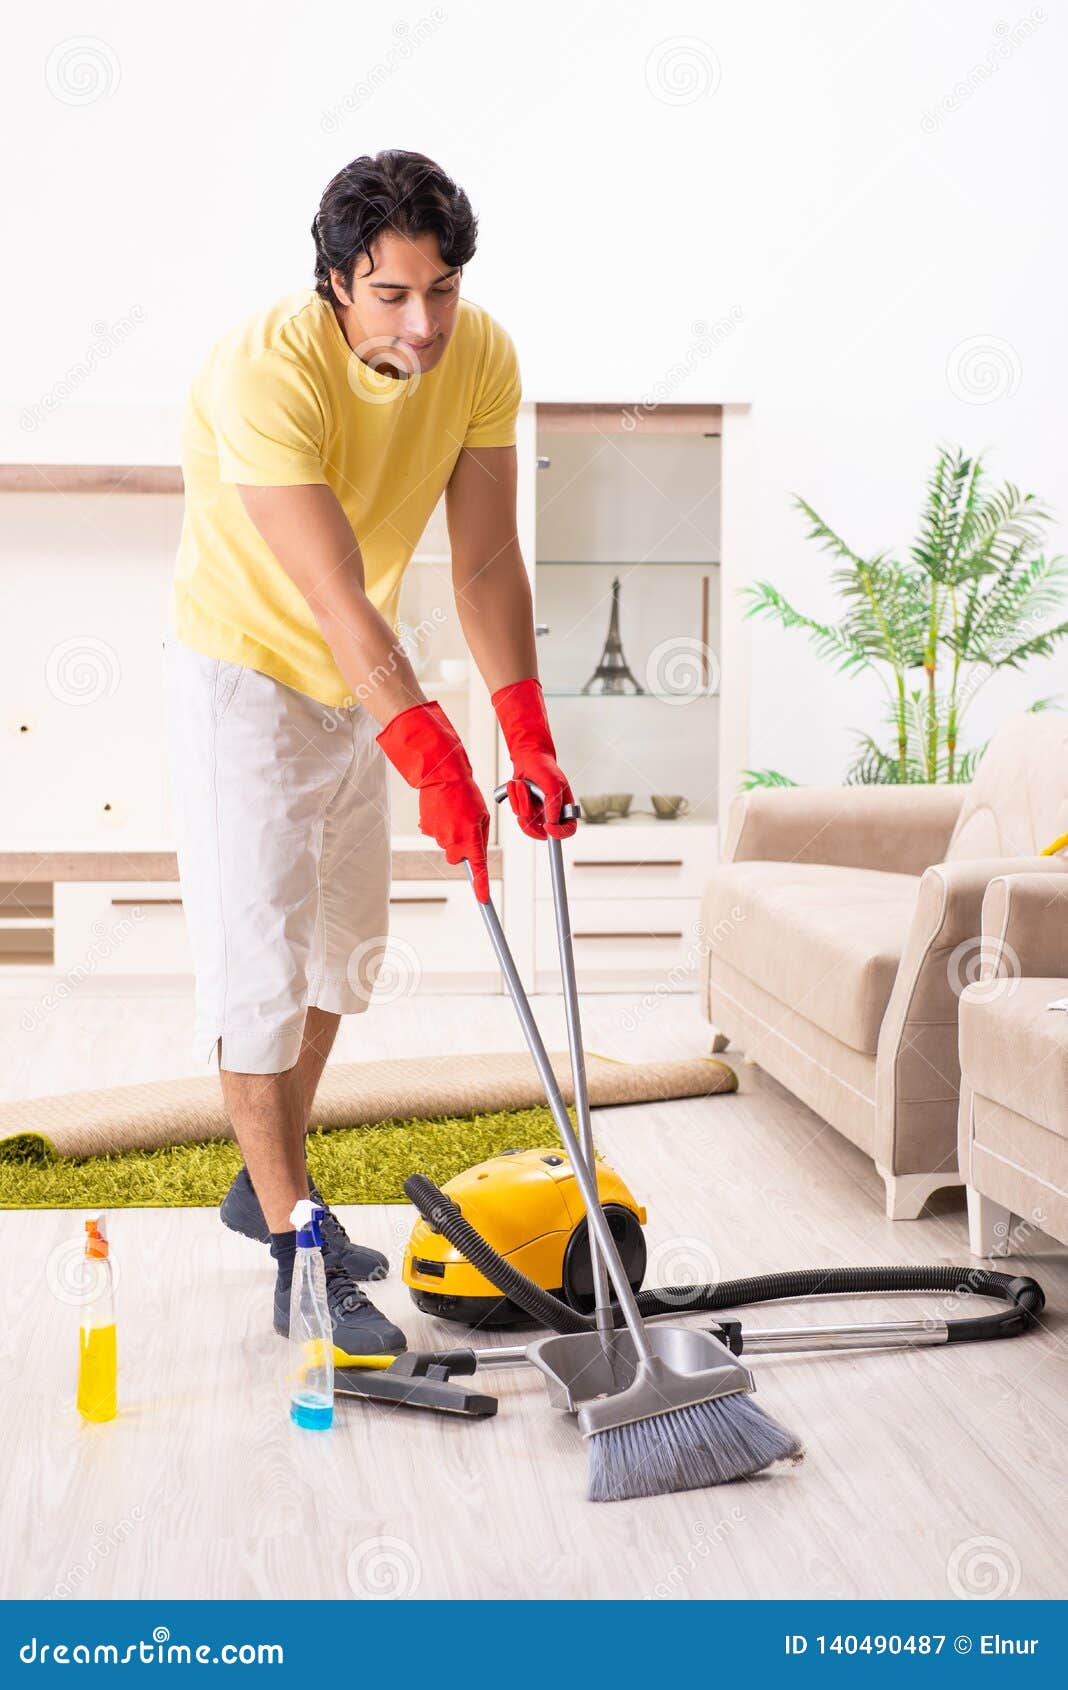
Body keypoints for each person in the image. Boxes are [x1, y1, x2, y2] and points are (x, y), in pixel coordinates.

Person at [163, 149, 576, 1355]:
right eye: (393, 293)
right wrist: (435, 756)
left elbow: (486, 560)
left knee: (346, 953)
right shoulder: (264, 371)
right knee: (259, 968)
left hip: (361, 679)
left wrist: (525, 732)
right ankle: (297, 1248)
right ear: (337, 282)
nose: (426, 320)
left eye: (442, 288)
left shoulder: (482, 354)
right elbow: (333, 595)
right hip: (247, 672)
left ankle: (263, 1181)